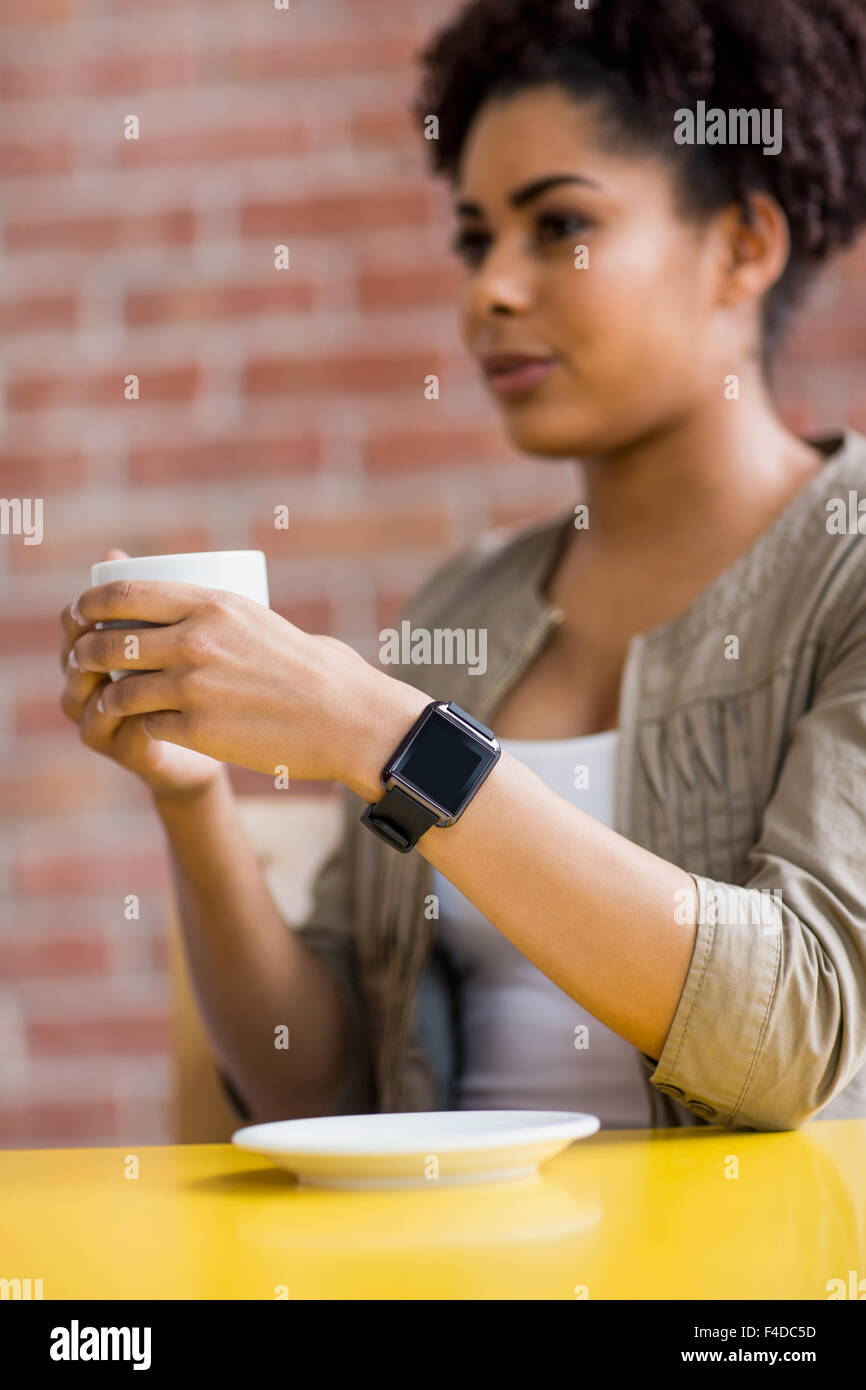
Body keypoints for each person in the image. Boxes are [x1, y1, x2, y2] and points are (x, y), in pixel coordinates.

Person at [60, 0, 866, 1131]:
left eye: (559, 227)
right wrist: (194, 803)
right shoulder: (464, 608)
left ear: (741, 244)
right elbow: (325, 1083)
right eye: (476, 238)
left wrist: (380, 736)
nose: (489, 289)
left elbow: (797, 1032)